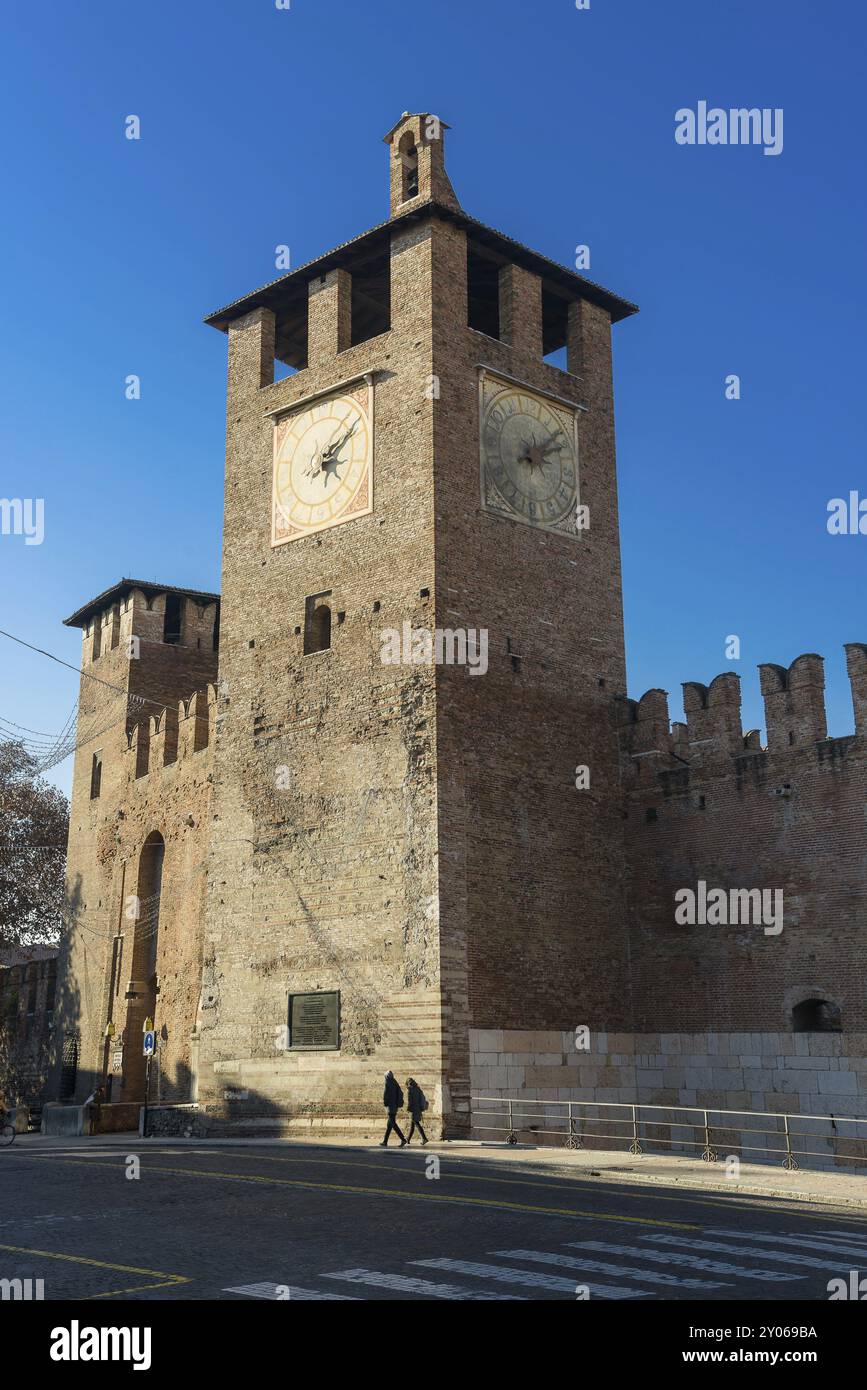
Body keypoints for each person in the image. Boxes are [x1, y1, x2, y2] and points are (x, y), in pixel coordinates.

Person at [379, 1070, 406, 1146]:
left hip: (390, 1106)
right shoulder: (395, 1082)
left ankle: (403, 1139)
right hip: (395, 1106)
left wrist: (385, 1103)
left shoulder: (387, 1083)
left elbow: (386, 1094)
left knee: (393, 1124)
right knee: (389, 1125)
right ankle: (385, 1141)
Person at [405, 1077, 429, 1145]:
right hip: (418, 1109)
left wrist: (408, 1108)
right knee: (413, 1124)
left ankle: (424, 1138)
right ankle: (408, 1139)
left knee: (416, 1124)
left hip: (413, 1109)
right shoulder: (418, 1089)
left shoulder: (409, 1090)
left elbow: (410, 1101)